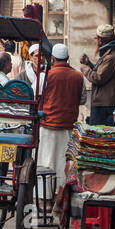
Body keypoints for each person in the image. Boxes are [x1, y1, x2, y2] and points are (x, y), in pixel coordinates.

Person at [36, 44, 84, 191]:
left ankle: (45, 199)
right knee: (65, 163)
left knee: (46, 162)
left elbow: (36, 97)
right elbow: (82, 100)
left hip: (47, 126)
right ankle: (61, 194)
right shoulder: (78, 76)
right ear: (68, 58)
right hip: (68, 127)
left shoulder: (46, 76)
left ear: (52, 59)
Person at [79, 24, 115, 126]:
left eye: (98, 39)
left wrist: (84, 68)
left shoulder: (112, 56)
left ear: (101, 40)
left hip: (105, 106)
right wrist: (89, 64)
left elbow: (99, 78)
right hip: (105, 103)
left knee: (98, 136)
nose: (97, 42)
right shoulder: (111, 53)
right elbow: (102, 73)